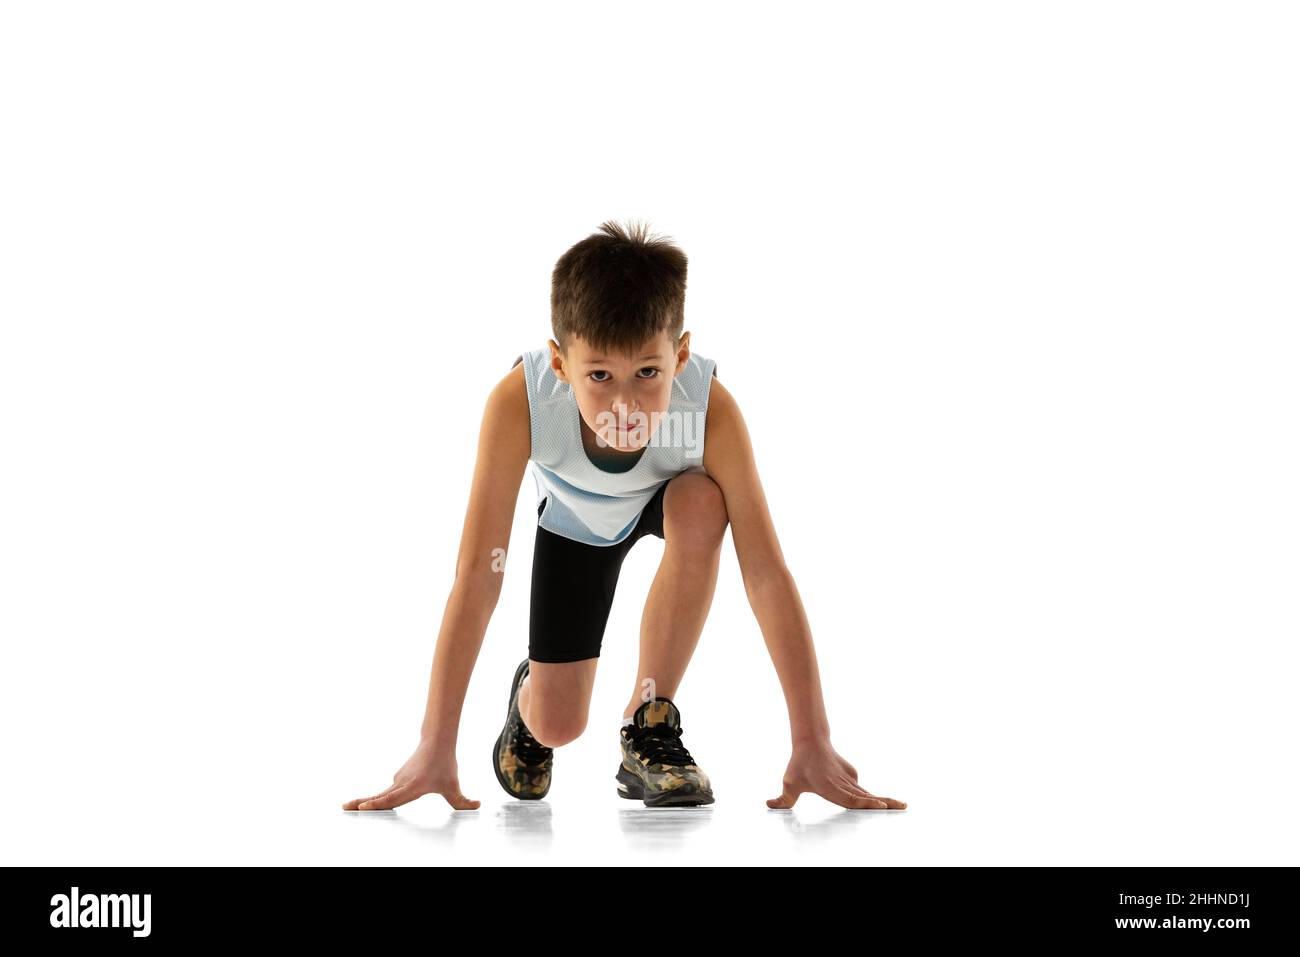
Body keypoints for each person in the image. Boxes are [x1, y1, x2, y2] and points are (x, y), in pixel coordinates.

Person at [342, 219, 907, 812]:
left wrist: (811, 740)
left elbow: (765, 570)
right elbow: (479, 573)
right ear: (560, 364)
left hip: (670, 502)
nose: (625, 404)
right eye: (599, 376)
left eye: (648, 373)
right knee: (559, 725)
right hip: (575, 524)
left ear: (679, 356)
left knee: (701, 501)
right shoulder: (521, 404)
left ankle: (649, 721)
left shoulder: (707, 411)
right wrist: (436, 744)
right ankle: (530, 694)